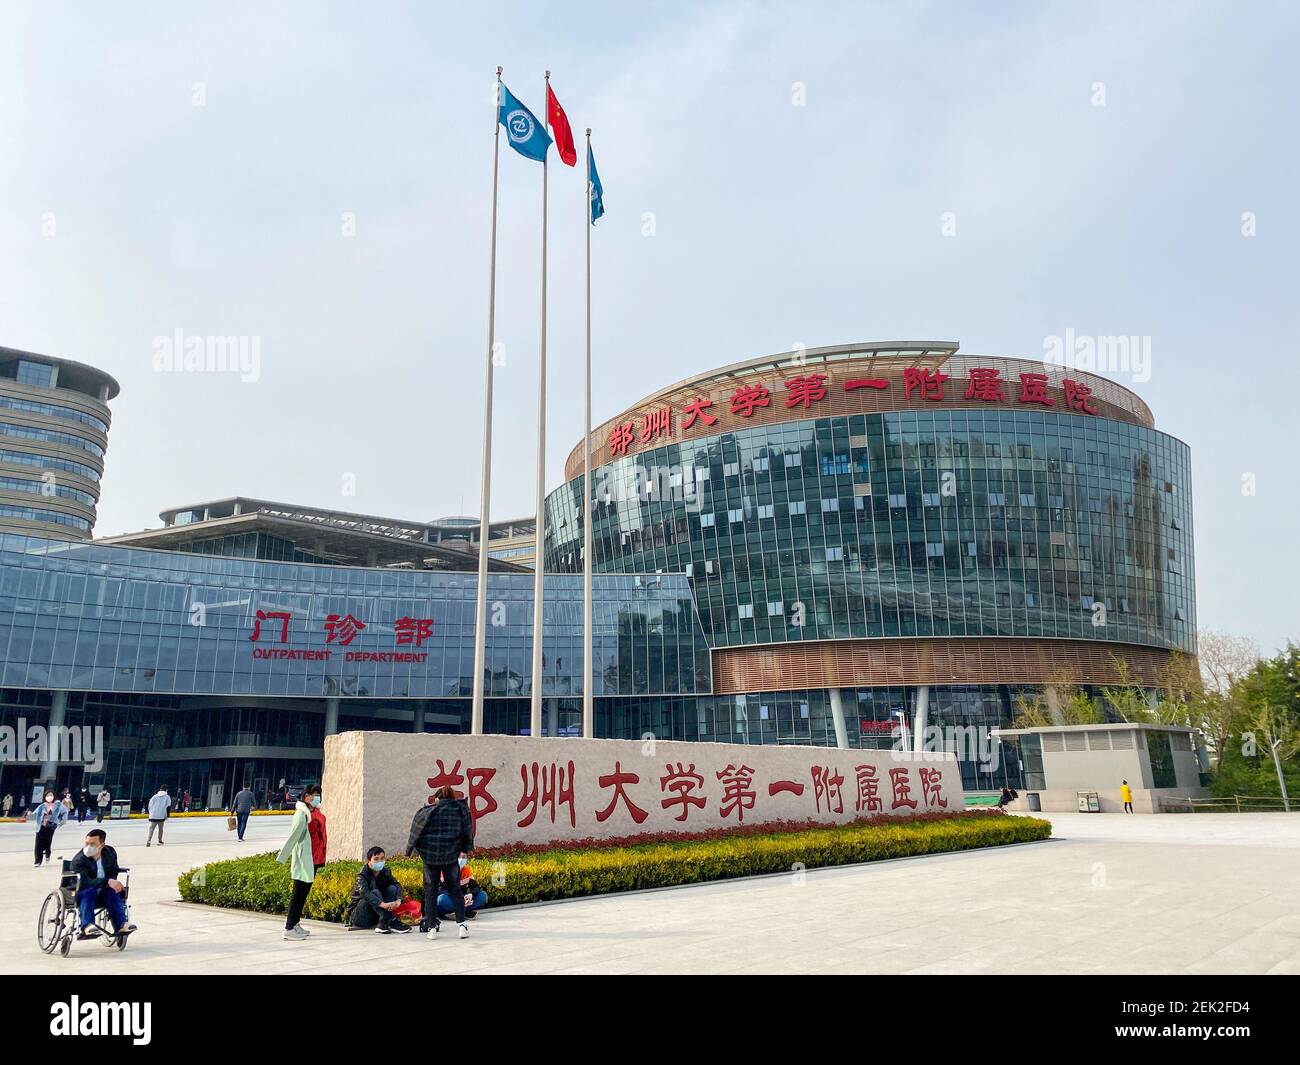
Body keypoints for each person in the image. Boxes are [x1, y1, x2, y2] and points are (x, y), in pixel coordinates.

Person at [406, 785, 474, 941]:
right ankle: (462, 925)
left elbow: (417, 832)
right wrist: (464, 848)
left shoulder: (428, 812)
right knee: (455, 891)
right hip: (450, 858)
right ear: (452, 797)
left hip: (430, 859)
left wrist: (417, 851)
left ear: (438, 798)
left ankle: (431, 928)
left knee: (430, 893)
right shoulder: (460, 810)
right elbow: (467, 833)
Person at [71, 829, 136, 942]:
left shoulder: (109, 853)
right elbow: (84, 882)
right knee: (89, 891)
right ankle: (87, 926)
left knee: (111, 892)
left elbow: (113, 871)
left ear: (102, 845)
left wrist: (113, 883)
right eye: (87, 843)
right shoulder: (79, 860)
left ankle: (121, 925)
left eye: (92, 844)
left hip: (102, 893)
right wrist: (107, 881)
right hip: (82, 892)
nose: (88, 847)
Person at [276, 784, 318, 941]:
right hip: (301, 859)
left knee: (302, 893)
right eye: (315, 795)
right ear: (307, 797)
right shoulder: (301, 815)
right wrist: (282, 857)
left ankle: (295, 923)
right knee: (298, 893)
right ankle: (289, 927)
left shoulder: (306, 814)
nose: (317, 798)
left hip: (306, 858)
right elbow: (293, 837)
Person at [347, 847, 412, 933]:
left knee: (392, 889)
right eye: (376, 859)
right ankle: (390, 920)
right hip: (360, 916)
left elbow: (397, 885)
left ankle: (384, 922)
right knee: (374, 892)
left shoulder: (385, 872)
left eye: (382, 859)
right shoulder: (362, 876)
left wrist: (398, 900)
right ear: (369, 862)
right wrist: (383, 905)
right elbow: (365, 893)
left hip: (376, 913)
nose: (379, 862)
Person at [33, 789, 68, 867]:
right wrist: (29, 814)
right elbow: (34, 814)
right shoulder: (42, 806)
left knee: (47, 842)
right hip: (41, 825)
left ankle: (47, 854)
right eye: (47, 795)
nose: (49, 797)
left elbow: (65, 812)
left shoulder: (58, 805)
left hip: (51, 826)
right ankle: (38, 861)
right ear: (45, 797)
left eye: (51, 795)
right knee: (38, 843)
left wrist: (61, 822)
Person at [307, 788, 327, 875]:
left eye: (319, 795)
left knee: (310, 879)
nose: (317, 797)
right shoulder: (304, 813)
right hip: (308, 852)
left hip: (317, 852)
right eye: (315, 795)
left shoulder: (317, 812)